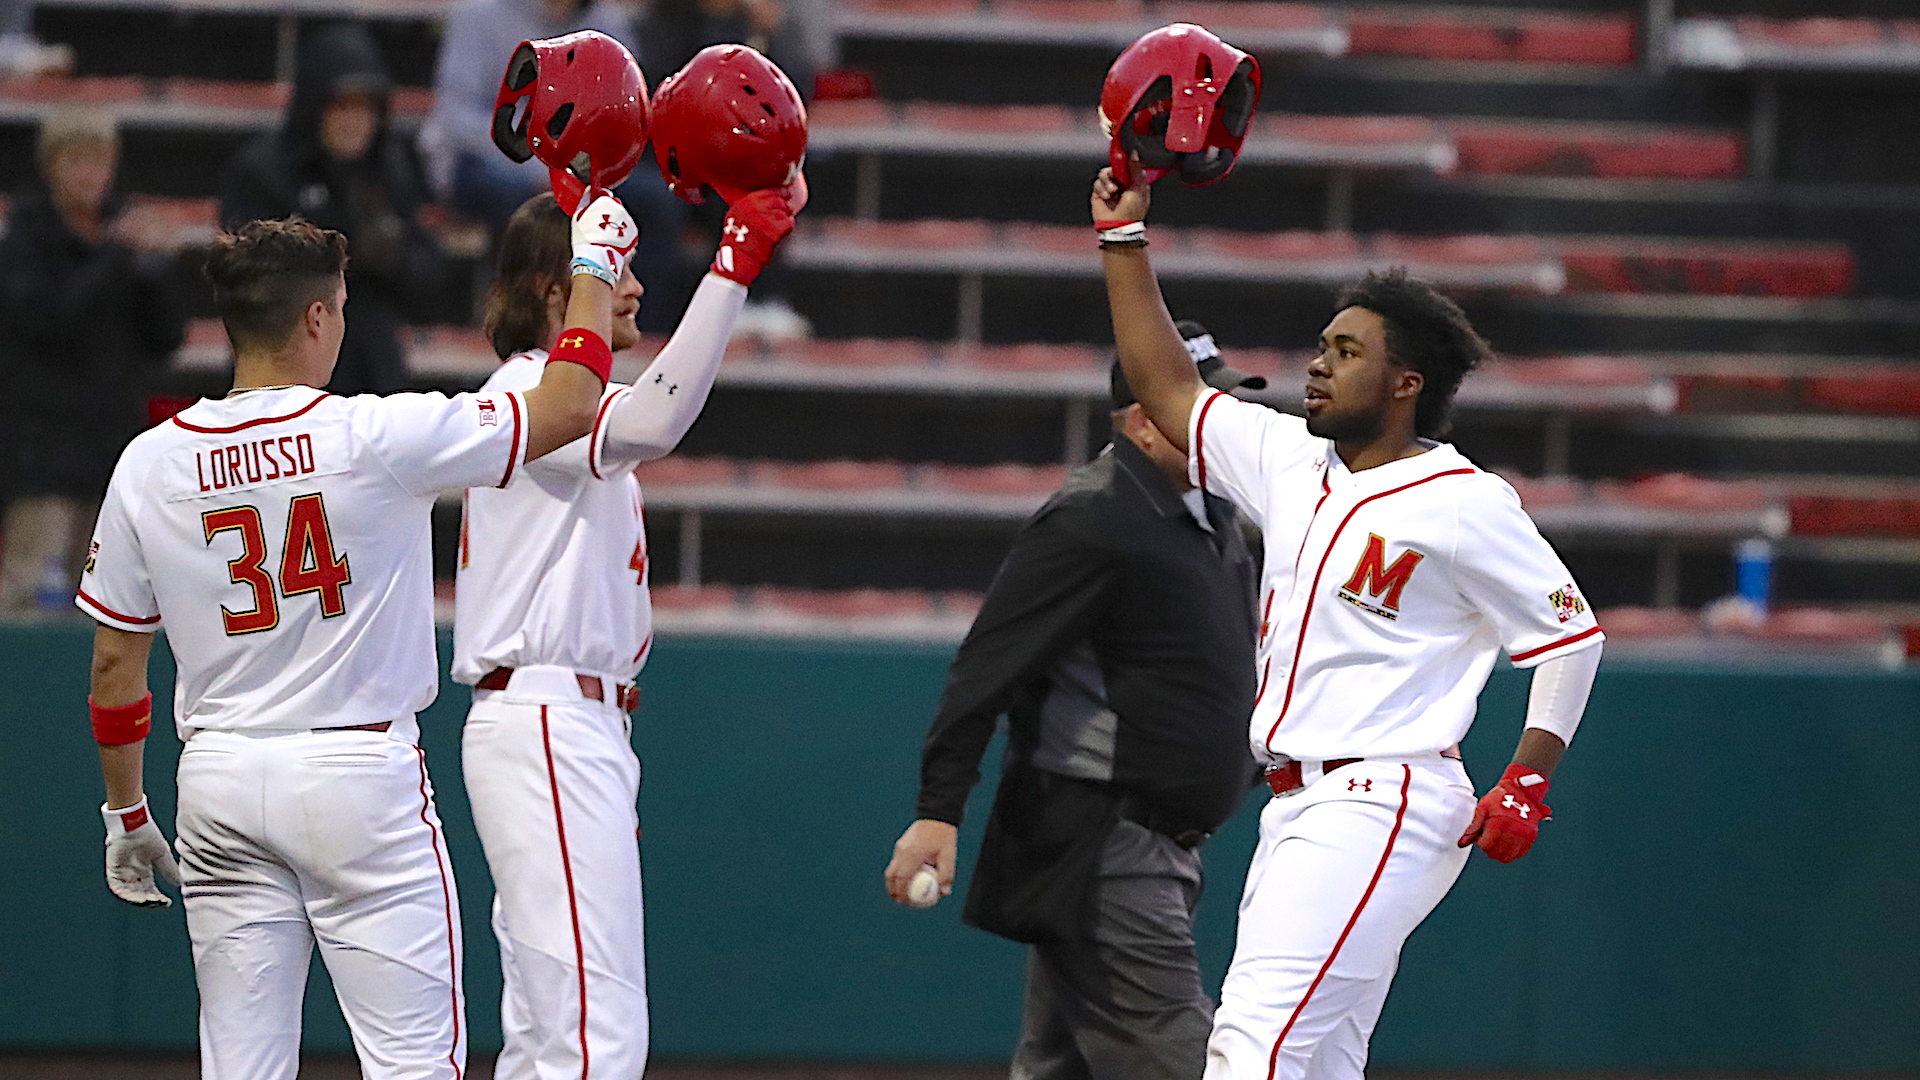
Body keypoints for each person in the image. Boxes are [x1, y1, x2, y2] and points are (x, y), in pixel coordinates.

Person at [75, 195, 636, 1079]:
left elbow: (116, 660)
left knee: (242, 1066)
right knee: (413, 1063)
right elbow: (568, 406)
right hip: (355, 777)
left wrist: (126, 812)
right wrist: (596, 269)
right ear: (314, 315)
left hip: (216, 776)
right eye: (339, 306)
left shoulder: (150, 459)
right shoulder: (373, 432)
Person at [1092, 165, 1605, 1080]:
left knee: (1253, 1050)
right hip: (1301, 801)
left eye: (1345, 350)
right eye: (1322, 344)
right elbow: (1168, 391)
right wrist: (1123, 243)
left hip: (1383, 797)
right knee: (1322, 1060)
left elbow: (1571, 637)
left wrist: (1527, 777)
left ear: (1404, 382)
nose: (1317, 363)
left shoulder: (1464, 501)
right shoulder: (1291, 458)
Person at [450, 181, 794, 1078]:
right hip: (549, 720)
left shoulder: (542, 395)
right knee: (594, 1034)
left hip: (559, 723)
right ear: (547, 293)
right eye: (609, 268)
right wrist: (733, 262)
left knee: (548, 1030)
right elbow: (658, 416)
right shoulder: (533, 388)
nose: (631, 286)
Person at [883, 321, 1265, 1080]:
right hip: (1102, 841)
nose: (1225, 425)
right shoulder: (1095, 515)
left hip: (1162, 845)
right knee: (1194, 1063)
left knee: (1062, 1067)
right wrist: (938, 809)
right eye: (1201, 406)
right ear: (1142, 421)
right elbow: (987, 667)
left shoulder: (1220, 518)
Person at [0, 107, 184, 617]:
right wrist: (115, 256)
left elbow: (165, 338)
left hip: (111, 445)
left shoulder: (122, 237)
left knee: (109, 598)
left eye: (101, 161)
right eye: (78, 161)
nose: (92, 175)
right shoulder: (25, 239)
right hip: (41, 451)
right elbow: (47, 319)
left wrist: (157, 270)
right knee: (27, 591)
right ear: (51, 167)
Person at [220, 23, 446, 396]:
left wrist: (393, 257)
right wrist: (338, 246)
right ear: (315, 105)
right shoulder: (264, 171)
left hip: (373, 371)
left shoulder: (392, 169)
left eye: (366, 107)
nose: (355, 121)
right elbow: (242, 279)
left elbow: (430, 278)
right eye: (342, 105)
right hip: (282, 372)